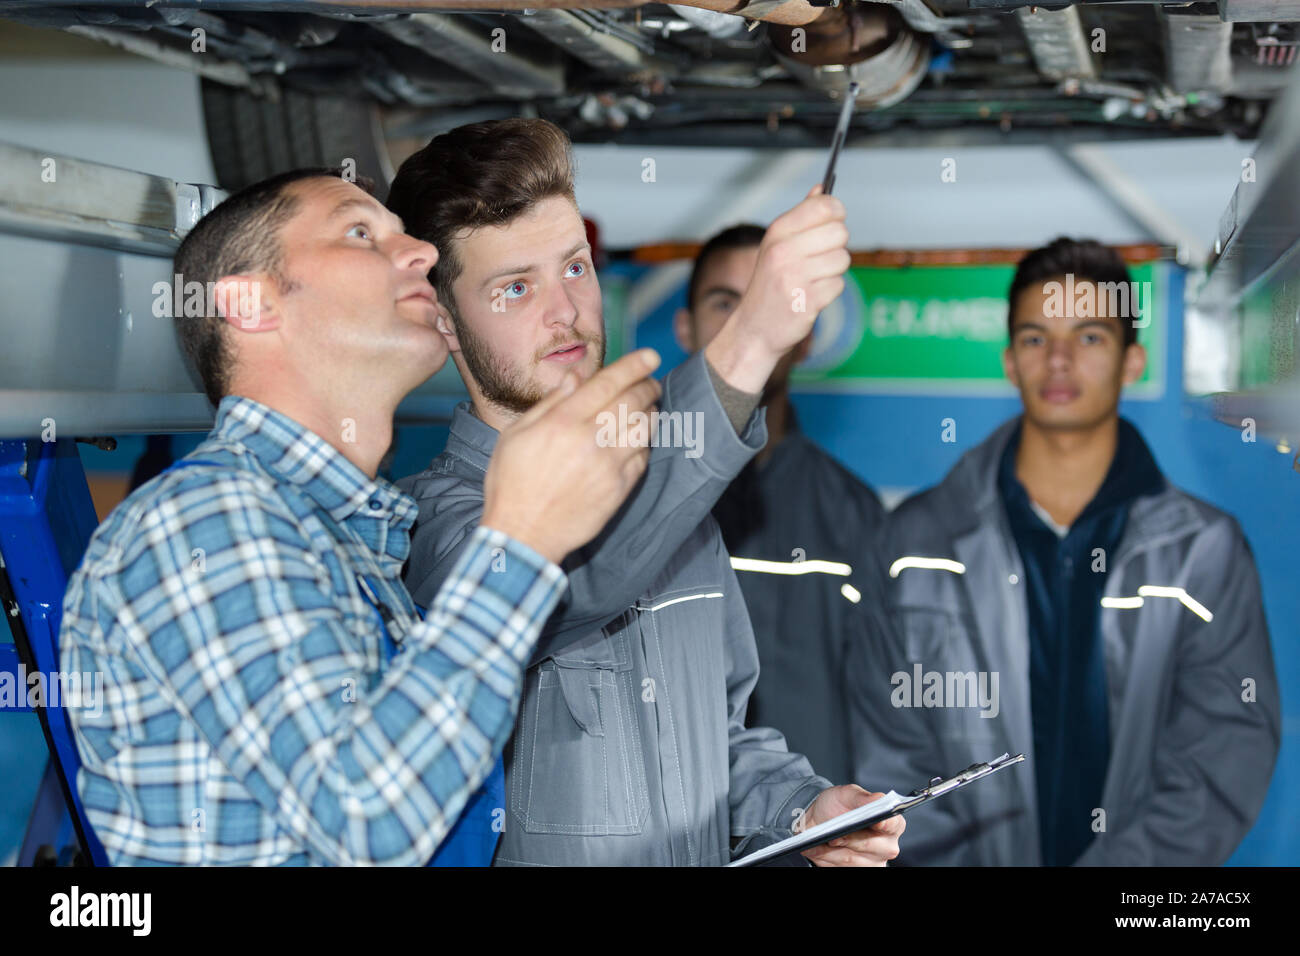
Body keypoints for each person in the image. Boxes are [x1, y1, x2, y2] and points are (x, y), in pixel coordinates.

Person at [58, 166, 663, 865]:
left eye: (404, 233)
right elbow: (362, 815)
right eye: (359, 232)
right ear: (251, 304)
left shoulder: (347, 544)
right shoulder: (205, 521)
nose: (422, 252)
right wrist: (522, 537)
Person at [390, 118, 904, 866]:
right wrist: (754, 335)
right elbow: (576, 583)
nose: (563, 312)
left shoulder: (676, 506)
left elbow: (714, 734)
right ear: (443, 318)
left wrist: (804, 807)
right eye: (514, 288)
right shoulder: (432, 528)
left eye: (573, 268)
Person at [849, 238, 1281, 865]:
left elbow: (1220, 759)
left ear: (1133, 360)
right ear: (1007, 361)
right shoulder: (913, 543)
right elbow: (890, 756)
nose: (1057, 360)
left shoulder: (1203, 552)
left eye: (1089, 337)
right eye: (1034, 338)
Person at [674, 223, 886, 785]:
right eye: (726, 303)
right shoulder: (628, 493)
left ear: (806, 334)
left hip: (812, 839)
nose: (752, 322)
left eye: (770, 302)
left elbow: (888, 717)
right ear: (684, 327)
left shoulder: (854, 513)